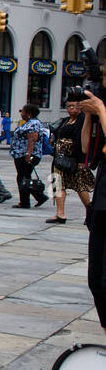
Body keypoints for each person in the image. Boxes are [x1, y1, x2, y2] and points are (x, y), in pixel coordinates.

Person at [78, 85, 106, 334]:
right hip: (102, 201)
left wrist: (100, 109)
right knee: (96, 279)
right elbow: (87, 148)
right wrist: (90, 114)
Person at [47, 98, 94, 224]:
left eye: (73, 106)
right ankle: (60, 213)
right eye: (68, 106)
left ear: (80, 107)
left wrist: (82, 160)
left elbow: (82, 140)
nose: (70, 109)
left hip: (75, 158)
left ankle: (90, 213)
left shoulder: (83, 119)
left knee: (80, 185)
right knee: (58, 183)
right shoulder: (66, 120)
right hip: (61, 159)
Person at [9, 104, 49, 209]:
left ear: (29, 114)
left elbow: (32, 139)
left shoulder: (34, 124)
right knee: (25, 177)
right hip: (21, 154)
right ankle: (39, 197)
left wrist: (28, 154)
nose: (21, 114)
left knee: (22, 178)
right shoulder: (30, 123)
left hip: (26, 155)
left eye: (22, 111)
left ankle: (25, 202)